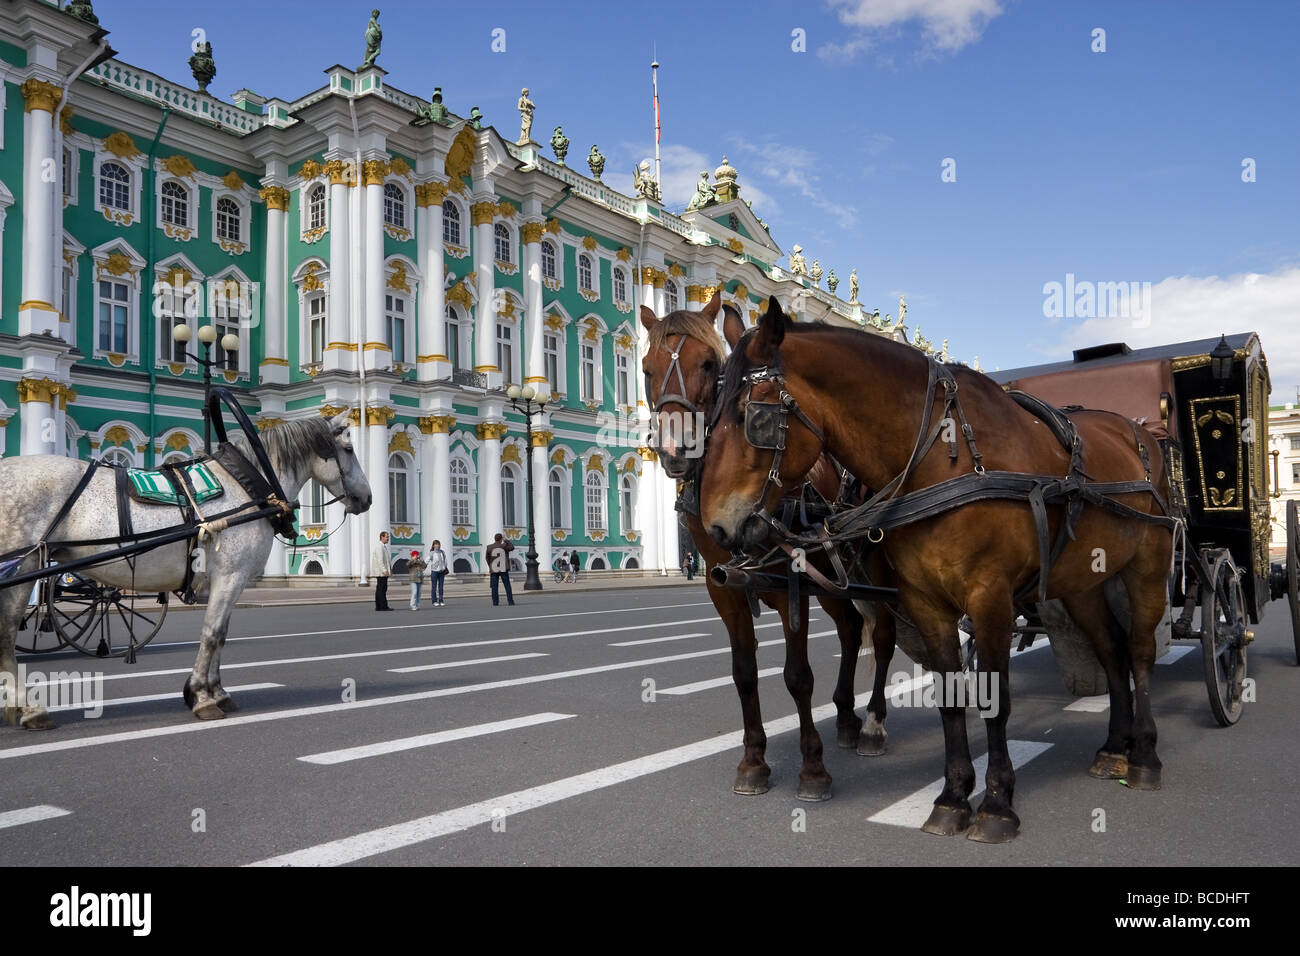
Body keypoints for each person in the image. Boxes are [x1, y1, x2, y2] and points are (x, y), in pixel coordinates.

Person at [485, 532, 515, 606]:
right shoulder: (504, 546)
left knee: (494, 587)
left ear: (494, 539)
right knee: (507, 585)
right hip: (503, 568)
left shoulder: (489, 547)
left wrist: (490, 566)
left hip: (494, 569)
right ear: (501, 539)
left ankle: (495, 602)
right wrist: (506, 540)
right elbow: (512, 547)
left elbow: (487, 558)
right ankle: (510, 601)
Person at [371, 531, 392, 611]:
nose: (388, 538)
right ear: (382, 537)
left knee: (380, 589)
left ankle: (379, 606)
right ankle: (383, 606)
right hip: (381, 572)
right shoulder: (379, 547)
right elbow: (380, 560)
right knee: (382, 589)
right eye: (387, 537)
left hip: (381, 572)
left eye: (388, 537)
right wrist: (384, 570)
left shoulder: (382, 546)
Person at [427, 539, 448, 607]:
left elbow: (445, 560)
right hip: (434, 572)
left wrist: (444, 567)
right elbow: (426, 560)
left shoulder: (442, 552)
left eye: (438, 544)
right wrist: (422, 567)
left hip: (441, 572)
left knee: (441, 587)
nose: (437, 545)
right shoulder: (432, 553)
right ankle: (434, 601)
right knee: (434, 587)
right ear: (433, 545)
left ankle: (441, 600)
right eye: (435, 544)